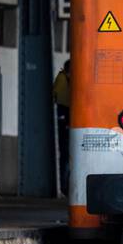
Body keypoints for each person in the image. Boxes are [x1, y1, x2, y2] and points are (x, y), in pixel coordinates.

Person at [53, 59, 70, 195]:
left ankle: (64, 185)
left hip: (64, 124)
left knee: (65, 157)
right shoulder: (64, 81)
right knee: (66, 156)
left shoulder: (61, 79)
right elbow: (64, 104)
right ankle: (64, 186)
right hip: (66, 126)